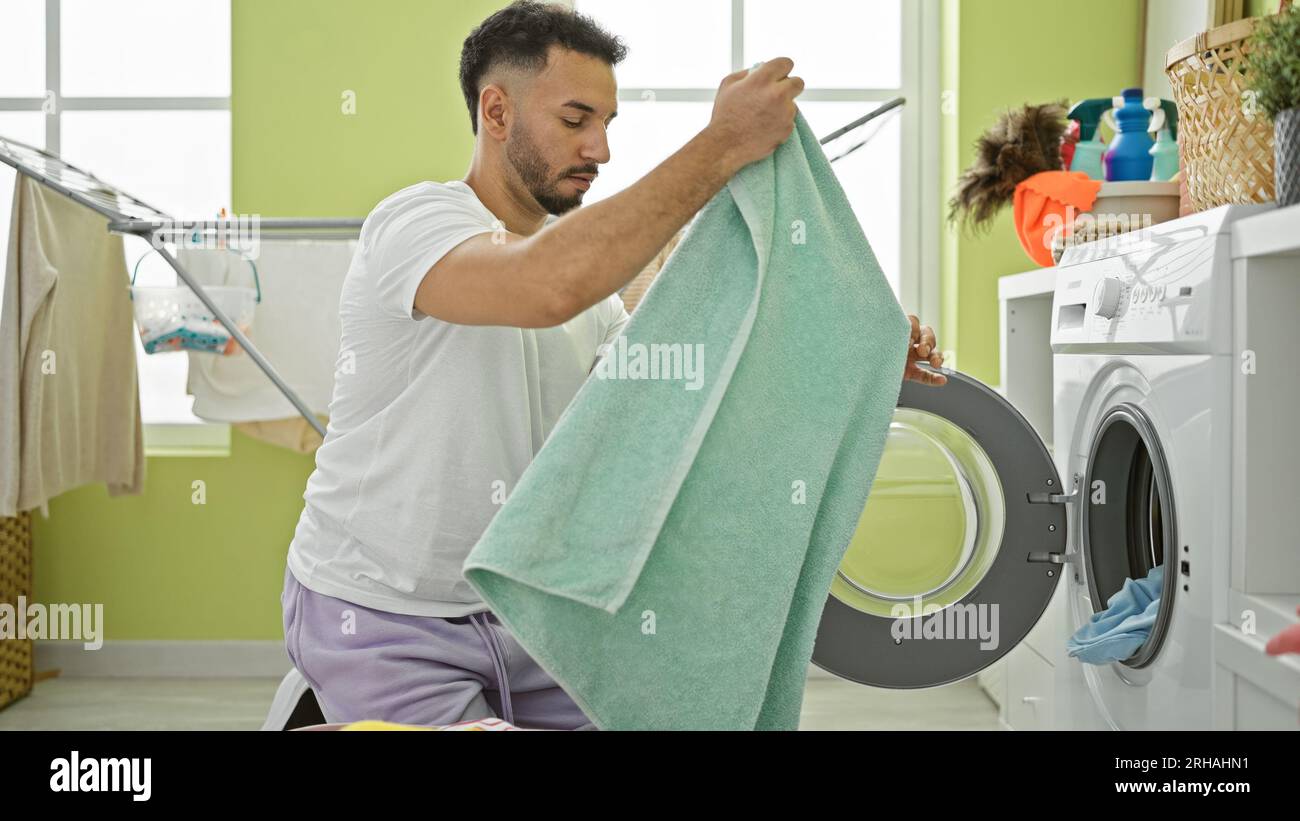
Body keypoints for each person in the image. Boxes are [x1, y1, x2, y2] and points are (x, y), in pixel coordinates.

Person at [282, 0, 945, 730]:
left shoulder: (596, 305)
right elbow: (541, 284)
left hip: (532, 609)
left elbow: (683, 400)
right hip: (383, 616)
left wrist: (847, 351)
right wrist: (719, 146)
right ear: (495, 111)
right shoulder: (415, 223)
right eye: (575, 120)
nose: (600, 148)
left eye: (607, 123)